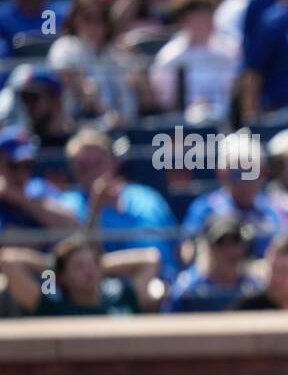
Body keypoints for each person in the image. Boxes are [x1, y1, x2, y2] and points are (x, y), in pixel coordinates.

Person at [57, 128, 178, 273]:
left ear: (113, 163)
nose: (92, 172)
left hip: (168, 284)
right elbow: (79, 262)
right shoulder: (67, 206)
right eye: (83, 167)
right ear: (73, 172)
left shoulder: (147, 196)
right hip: (111, 290)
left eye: (98, 163)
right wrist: (95, 209)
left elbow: (178, 245)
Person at [46, 0, 141, 130]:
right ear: (74, 20)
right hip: (76, 127)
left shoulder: (115, 54)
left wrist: (135, 64)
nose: (95, 25)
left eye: (101, 18)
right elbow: (74, 84)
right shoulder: (65, 46)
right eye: (88, 18)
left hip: (119, 128)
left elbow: (139, 98)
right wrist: (105, 112)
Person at [0, 235, 161, 316]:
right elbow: (8, 260)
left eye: (92, 264)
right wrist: (53, 266)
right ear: (62, 277)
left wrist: (101, 266)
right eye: (79, 266)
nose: (88, 271)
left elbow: (151, 259)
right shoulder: (52, 307)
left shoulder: (122, 295)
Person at [149, 0, 240, 123]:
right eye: (198, 16)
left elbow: (238, 91)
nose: (205, 21)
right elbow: (165, 101)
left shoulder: (231, 50)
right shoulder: (169, 56)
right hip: (184, 130)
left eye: (207, 14)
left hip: (228, 125)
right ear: (183, 20)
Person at [163, 215, 259, 313]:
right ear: (208, 248)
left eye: (235, 241)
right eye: (221, 243)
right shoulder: (188, 291)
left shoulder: (254, 289)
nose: (229, 250)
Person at [0, 127, 77, 231]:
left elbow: (70, 224)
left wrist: (21, 199)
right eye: (14, 166)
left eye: (28, 165)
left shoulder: (39, 187)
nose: (22, 173)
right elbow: (6, 240)